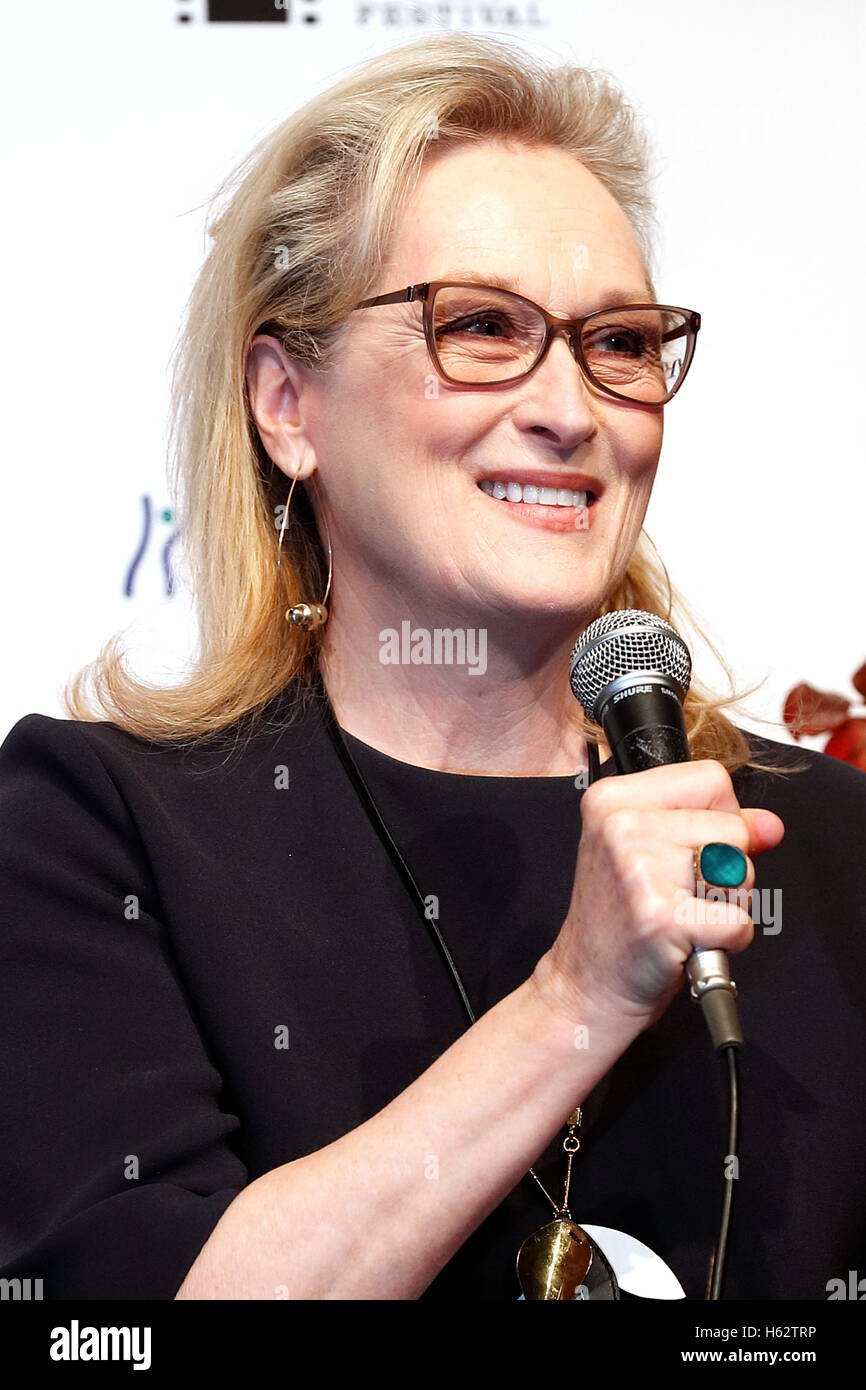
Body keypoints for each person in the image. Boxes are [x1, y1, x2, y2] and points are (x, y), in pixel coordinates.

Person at [1, 31, 865, 1303]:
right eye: (479, 326)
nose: (571, 410)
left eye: (617, 342)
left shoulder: (828, 842)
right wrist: (574, 993)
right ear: (287, 405)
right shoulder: (104, 831)